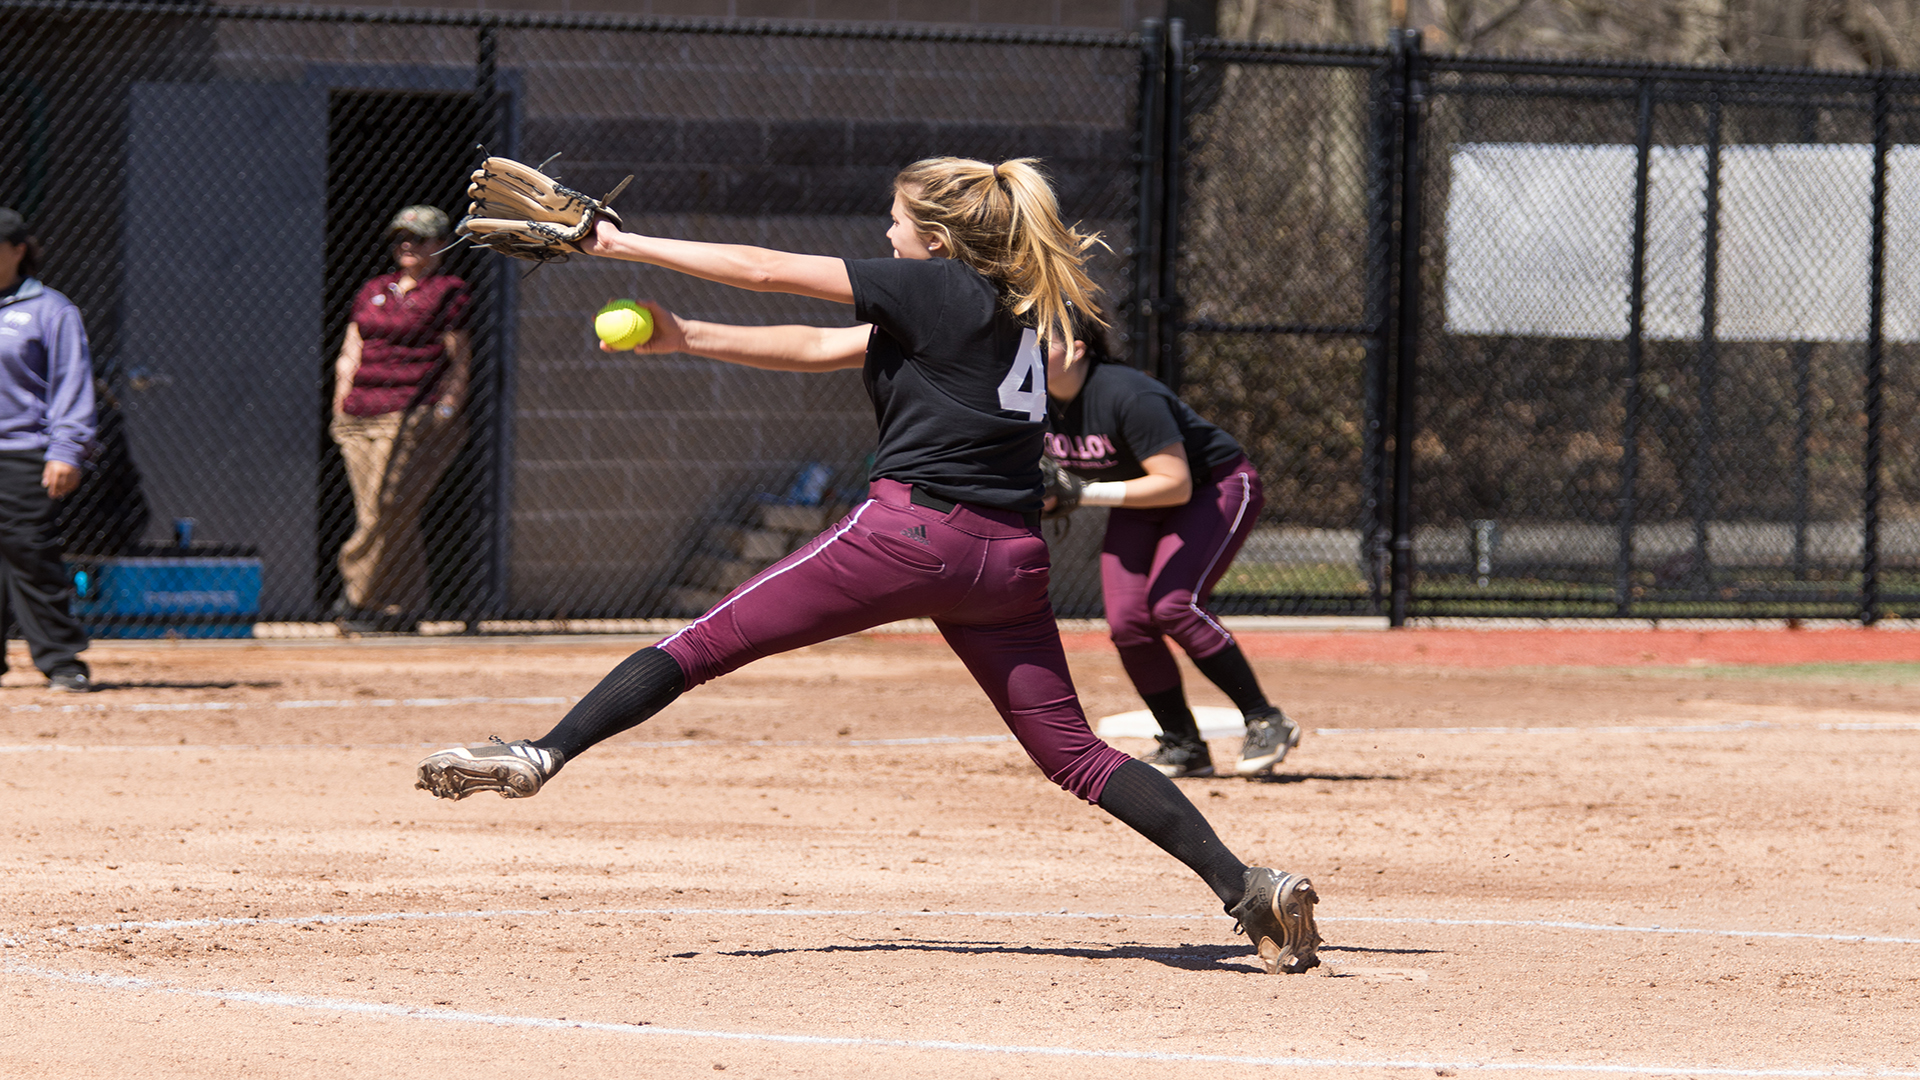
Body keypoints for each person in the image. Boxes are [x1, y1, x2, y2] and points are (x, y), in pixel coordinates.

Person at [415, 157, 1322, 974]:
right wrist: (686, 336)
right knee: (1077, 756)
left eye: (896, 219)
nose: (885, 234)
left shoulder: (933, 286)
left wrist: (618, 242)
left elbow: (771, 270)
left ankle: (546, 751)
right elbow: (822, 347)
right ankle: (1248, 889)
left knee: (698, 646)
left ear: (936, 236)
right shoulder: (1013, 311)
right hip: (1007, 562)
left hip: (907, 538)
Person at [1043, 311, 1301, 779]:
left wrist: (1079, 494)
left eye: (1043, 342)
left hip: (1212, 487)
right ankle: (1184, 744)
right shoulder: (1031, 399)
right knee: (1127, 624)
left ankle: (1267, 718)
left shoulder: (1127, 393)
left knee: (1174, 605)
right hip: (1140, 497)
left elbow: (1176, 484)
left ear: (1078, 349)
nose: (1028, 352)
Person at [329, 205, 470, 634]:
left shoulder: (449, 291)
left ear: (440, 245)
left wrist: (447, 408)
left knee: (386, 508)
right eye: (400, 238)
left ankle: (357, 596)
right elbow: (352, 346)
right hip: (358, 414)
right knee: (388, 513)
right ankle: (403, 607)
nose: (407, 245)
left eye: (419, 238)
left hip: (410, 415)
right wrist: (341, 397)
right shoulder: (375, 288)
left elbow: (460, 358)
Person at [0, 207, 96, 692]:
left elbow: (71, 385)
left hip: (22, 450)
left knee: (28, 552)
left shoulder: (50, 310)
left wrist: (68, 449)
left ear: (18, 250)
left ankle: (61, 660)